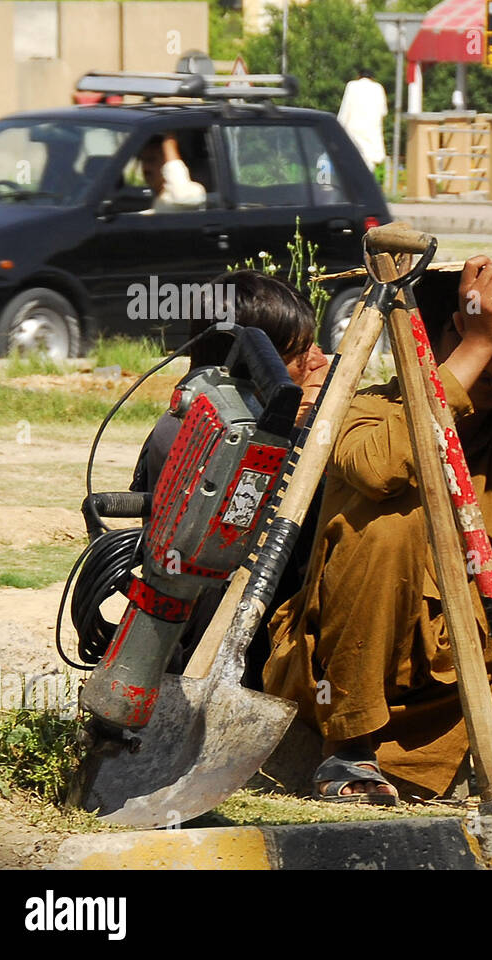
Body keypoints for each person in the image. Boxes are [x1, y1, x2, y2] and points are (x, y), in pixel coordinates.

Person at [263, 257, 492, 804]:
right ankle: (350, 748)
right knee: (391, 522)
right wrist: (472, 352)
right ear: (428, 347)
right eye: (476, 336)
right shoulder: (359, 406)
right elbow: (381, 468)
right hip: (341, 675)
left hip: (460, 662)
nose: (491, 347)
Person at [130, 271, 329, 685]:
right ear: (253, 362)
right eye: (298, 355)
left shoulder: (208, 416)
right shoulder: (212, 436)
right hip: (213, 650)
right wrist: (309, 433)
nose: (319, 362)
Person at [138, 133, 207, 212]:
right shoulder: (161, 198)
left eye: (151, 160)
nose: (145, 167)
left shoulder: (194, 190)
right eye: (143, 160)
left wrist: (169, 142)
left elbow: (182, 196)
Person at [337, 69, 387, 172]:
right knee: (368, 168)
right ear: (372, 78)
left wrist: (337, 128)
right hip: (371, 133)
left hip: (353, 132)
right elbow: (383, 112)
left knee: (352, 165)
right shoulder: (378, 88)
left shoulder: (352, 86)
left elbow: (345, 110)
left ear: (358, 77)